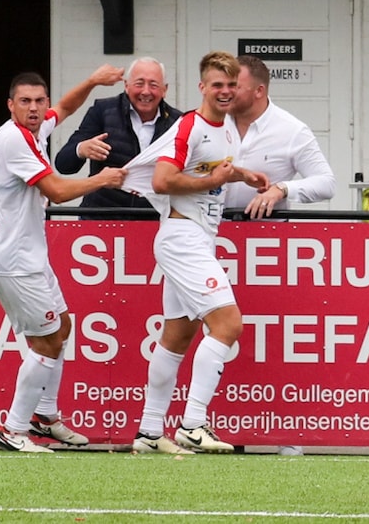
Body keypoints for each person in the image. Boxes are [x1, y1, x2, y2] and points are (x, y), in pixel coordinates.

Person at [122, 51, 269, 455]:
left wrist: (241, 175)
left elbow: (211, 169)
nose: (224, 92)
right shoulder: (191, 125)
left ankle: (150, 433)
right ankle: (193, 424)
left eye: (230, 86)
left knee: (177, 337)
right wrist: (216, 180)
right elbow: (162, 179)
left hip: (196, 238)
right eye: (216, 85)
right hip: (181, 236)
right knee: (228, 323)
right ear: (202, 87)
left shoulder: (228, 130)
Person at [0, 66, 128, 452]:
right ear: (10, 105)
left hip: (28, 254)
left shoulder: (34, 129)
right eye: (25, 102)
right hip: (15, 261)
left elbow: (66, 106)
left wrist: (93, 81)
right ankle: (13, 430)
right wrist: (103, 179)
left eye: (39, 101)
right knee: (46, 342)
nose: (35, 108)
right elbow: (58, 191)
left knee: (61, 327)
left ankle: (45, 417)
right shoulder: (15, 140)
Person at [54, 57, 182, 219]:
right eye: (139, 83)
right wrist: (81, 149)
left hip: (154, 222)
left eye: (154, 85)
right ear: (126, 86)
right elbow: (63, 165)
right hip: (101, 220)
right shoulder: (102, 111)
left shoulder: (179, 123)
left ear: (165, 90)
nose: (146, 91)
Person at [228, 54, 336, 220]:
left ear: (259, 91)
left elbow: (326, 183)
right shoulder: (207, 123)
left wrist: (282, 189)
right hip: (208, 233)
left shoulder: (292, 130)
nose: (226, 92)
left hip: (267, 237)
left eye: (235, 86)